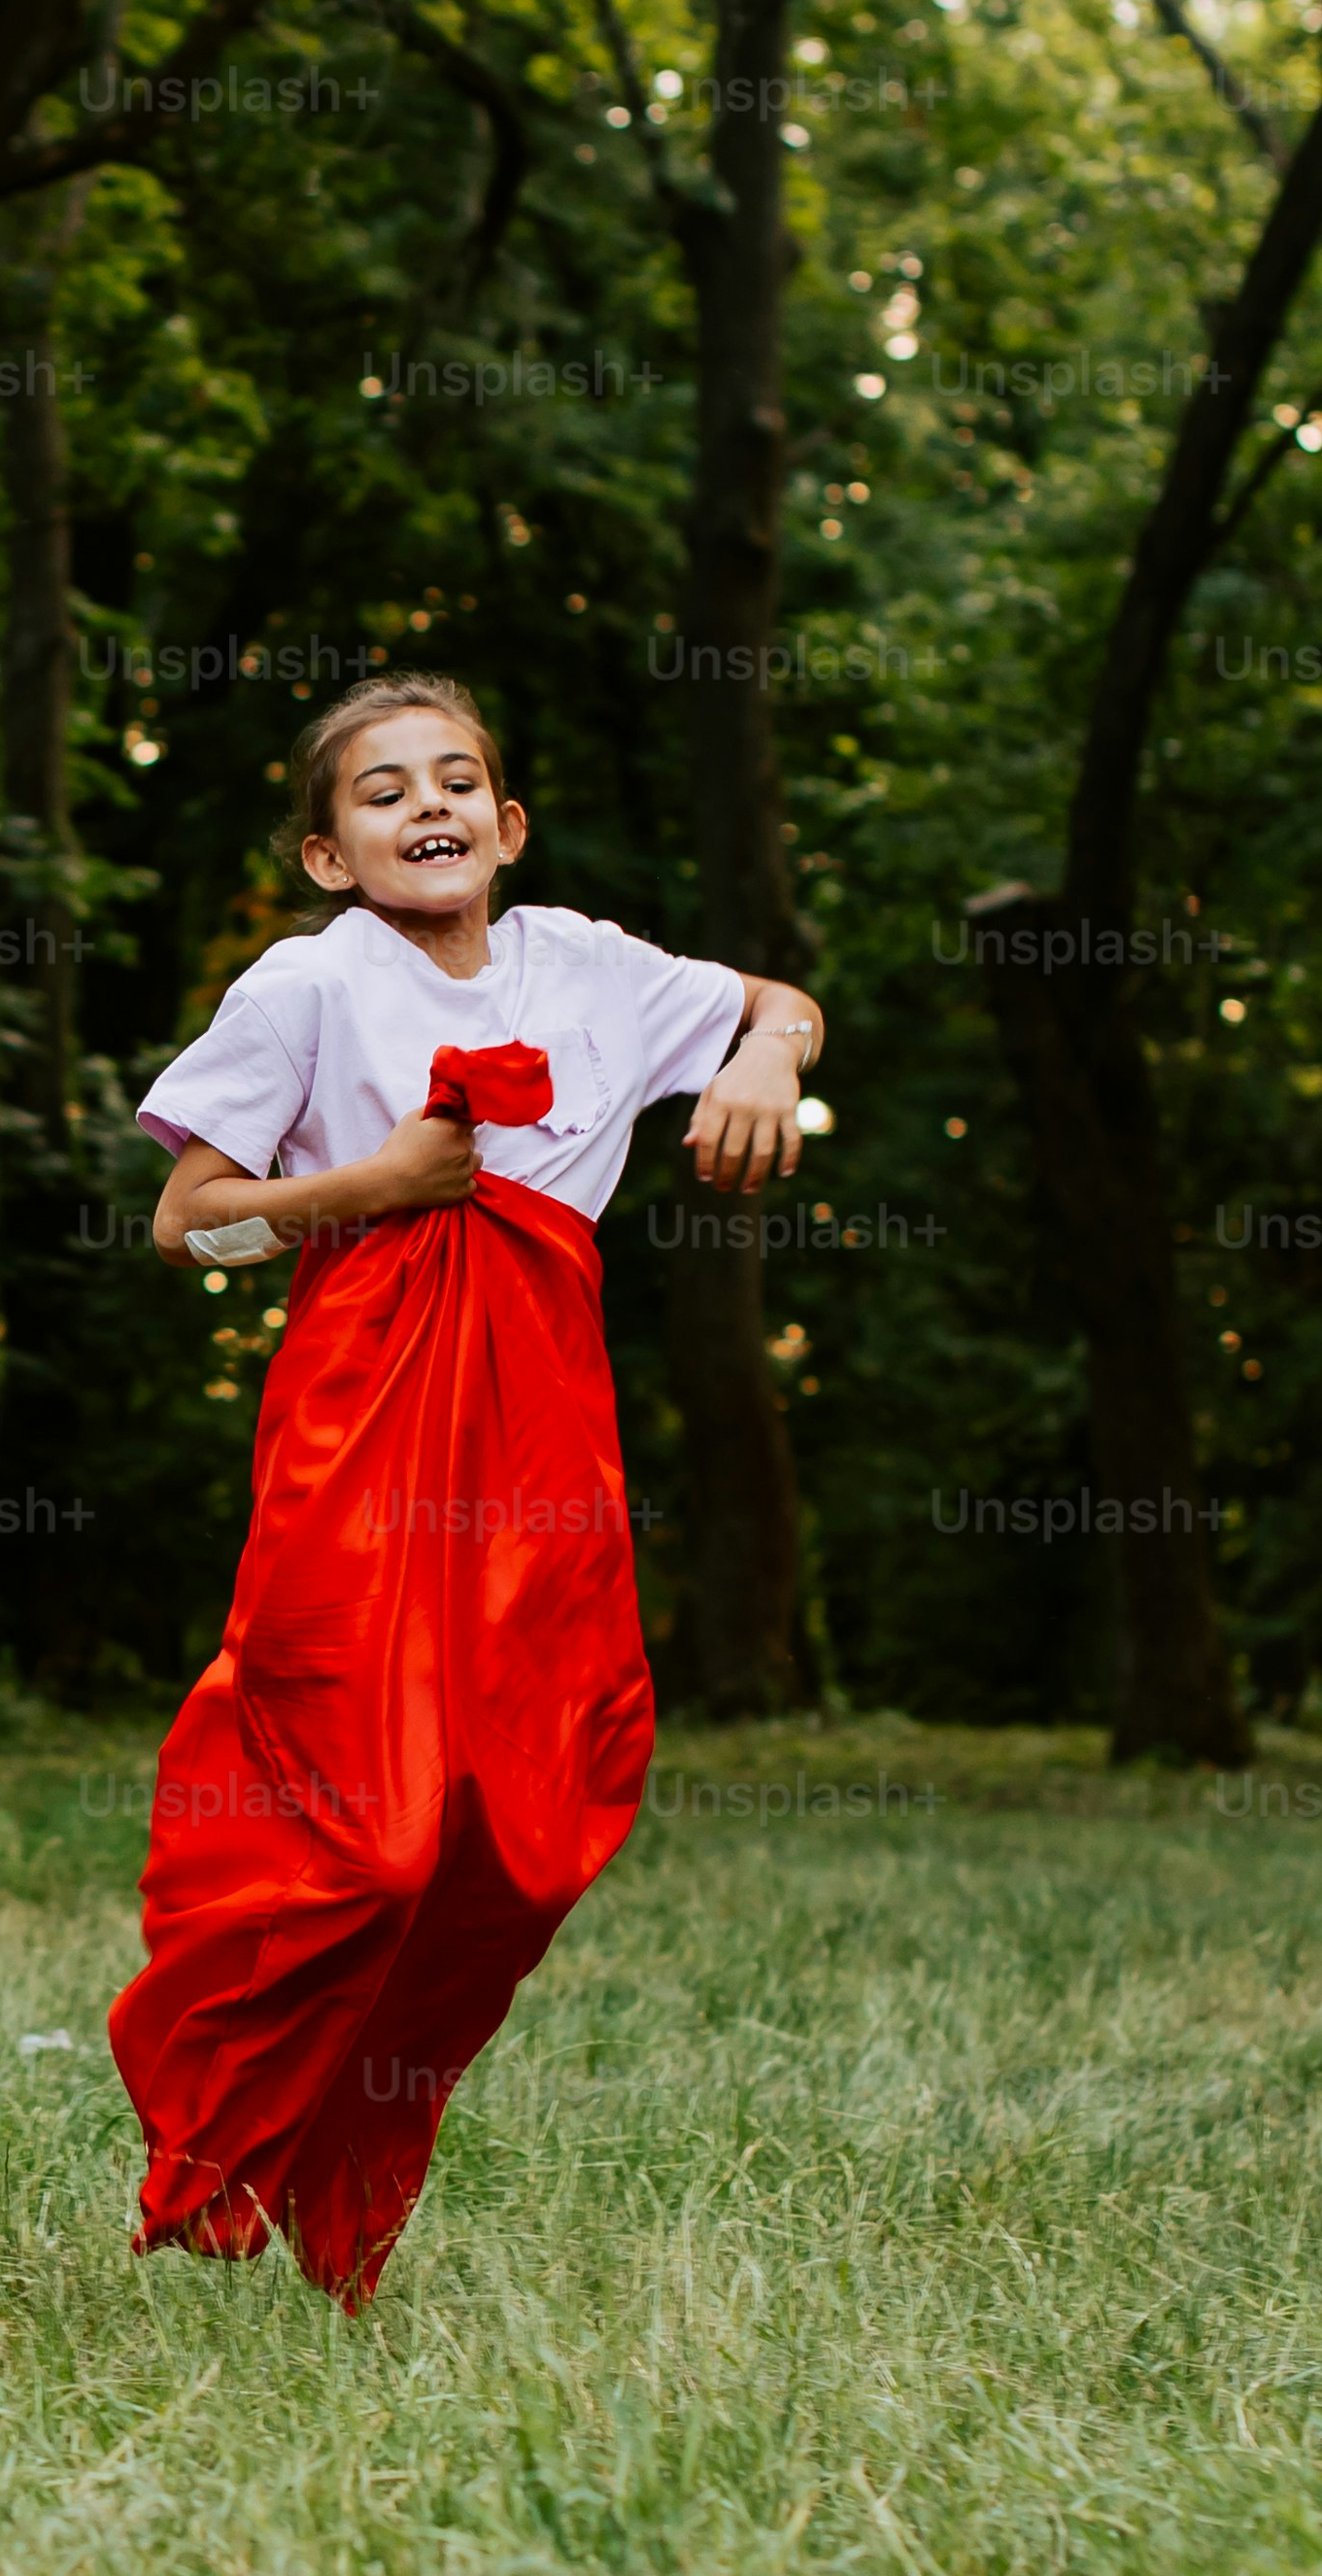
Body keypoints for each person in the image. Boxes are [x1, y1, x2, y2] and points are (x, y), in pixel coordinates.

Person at [108, 670, 826, 2310]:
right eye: (380, 792)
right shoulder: (304, 990)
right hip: (362, 1408)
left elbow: (775, 997)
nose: (423, 807)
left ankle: (351, 2165)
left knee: (516, 1829)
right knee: (356, 1834)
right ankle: (217, 2134)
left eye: (454, 782)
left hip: (538, 1424)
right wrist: (370, 1185)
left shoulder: (583, 967)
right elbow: (185, 1226)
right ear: (325, 851)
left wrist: (767, 1056)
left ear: (504, 826)